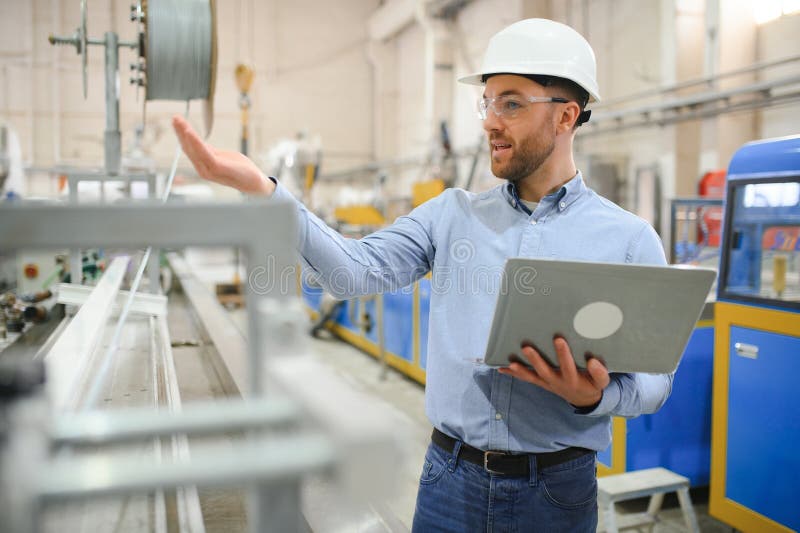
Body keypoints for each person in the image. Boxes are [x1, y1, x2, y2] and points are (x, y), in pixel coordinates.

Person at [173, 18, 672, 533]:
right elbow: (354, 273)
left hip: (556, 493)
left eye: (512, 103)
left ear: (567, 115)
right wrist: (264, 190)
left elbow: (655, 382)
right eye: (489, 102)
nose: (490, 122)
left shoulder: (629, 239)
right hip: (449, 483)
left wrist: (594, 396)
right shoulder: (450, 214)